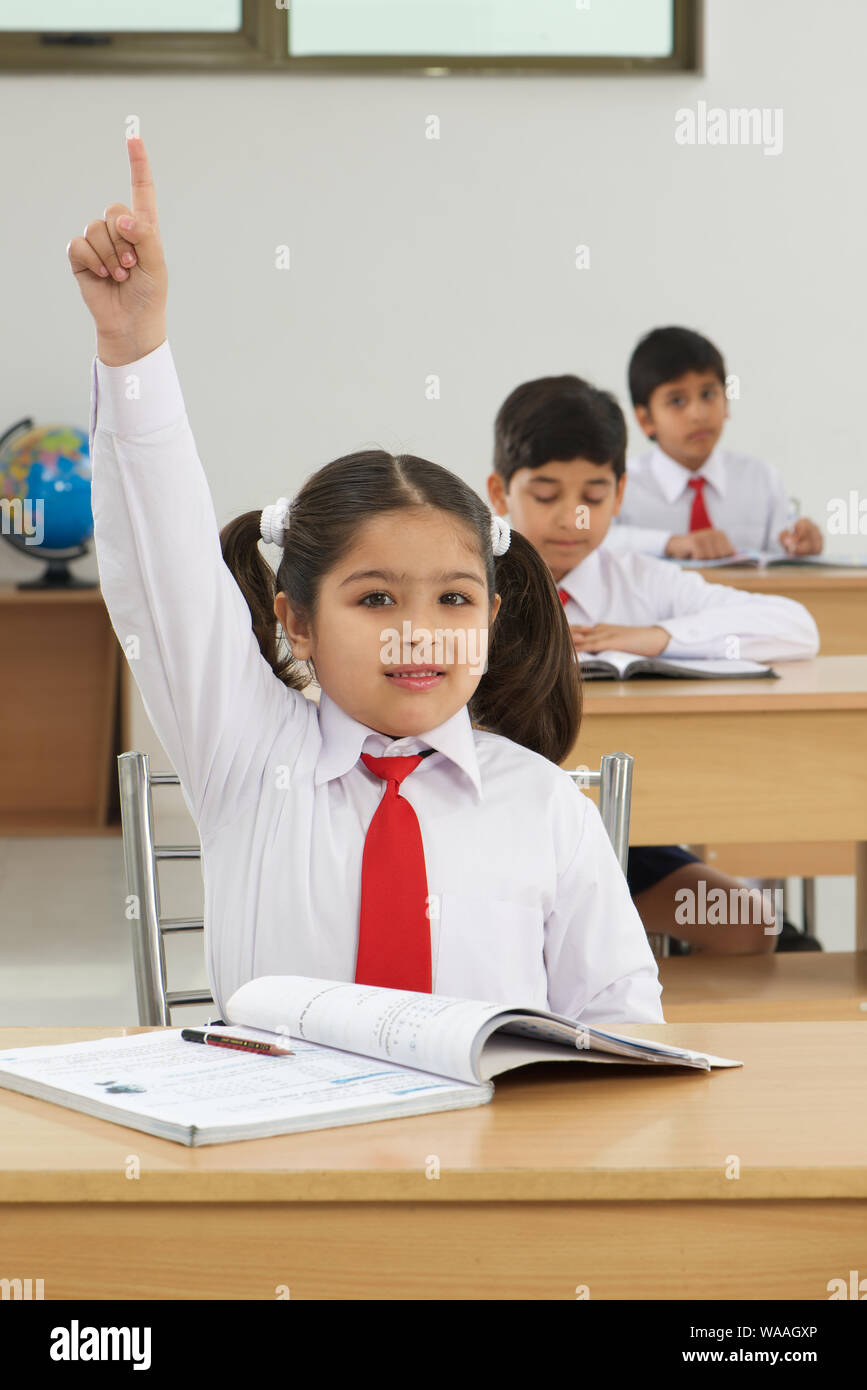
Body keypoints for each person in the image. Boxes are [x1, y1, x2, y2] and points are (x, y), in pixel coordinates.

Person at [67, 134, 664, 1024]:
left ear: (491, 617)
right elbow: (164, 566)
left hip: (491, 1118)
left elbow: (621, 1025)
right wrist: (131, 342)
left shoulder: (545, 806)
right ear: (297, 620)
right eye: (375, 598)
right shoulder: (245, 754)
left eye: (453, 599)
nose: (417, 631)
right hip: (278, 1115)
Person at [487, 373, 822, 954]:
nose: (572, 517)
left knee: (749, 924)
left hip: (614, 830)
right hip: (494, 827)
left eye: (594, 496)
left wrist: (659, 637)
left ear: (620, 495)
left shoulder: (640, 581)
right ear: (500, 493)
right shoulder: (466, 579)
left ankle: (639, 999)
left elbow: (797, 626)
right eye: (545, 495)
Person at [604, 326, 825, 560]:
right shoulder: (621, 485)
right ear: (645, 420)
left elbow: (782, 557)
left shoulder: (760, 480)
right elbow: (593, 540)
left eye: (708, 395)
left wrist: (802, 545)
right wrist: (669, 543)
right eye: (677, 401)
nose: (698, 414)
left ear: (726, 402)